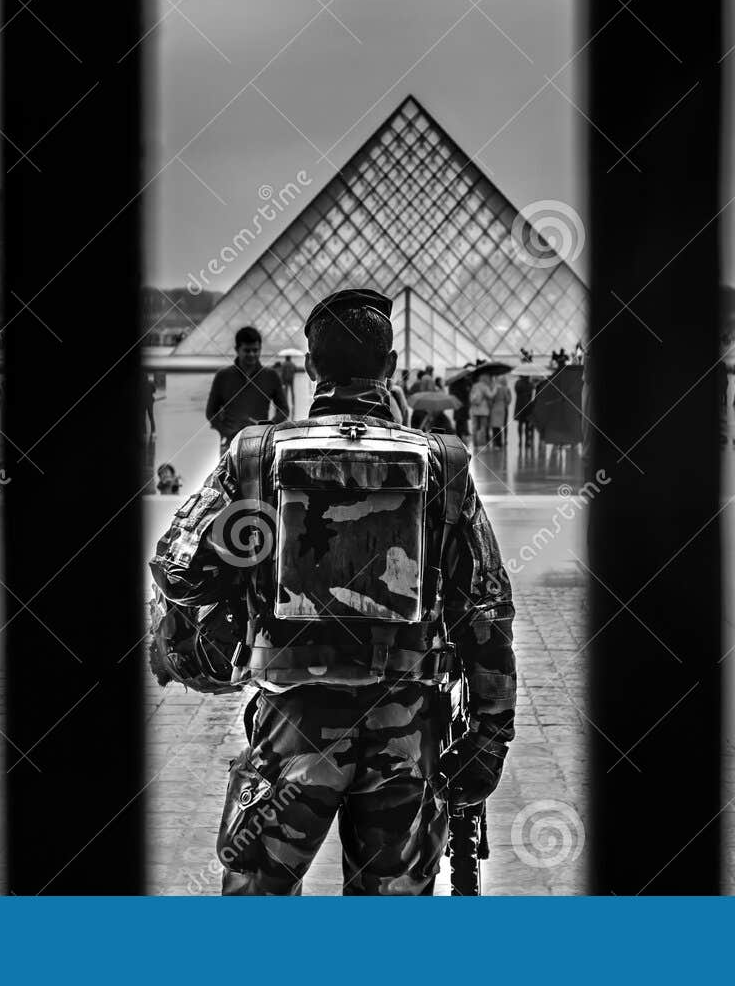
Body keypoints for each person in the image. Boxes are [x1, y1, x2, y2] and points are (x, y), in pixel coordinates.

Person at [151, 287, 515, 895]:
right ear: (391, 366)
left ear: (311, 367)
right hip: (407, 725)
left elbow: (180, 568)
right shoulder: (443, 463)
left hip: (292, 720)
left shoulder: (257, 456)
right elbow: (484, 609)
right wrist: (489, 734)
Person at [205, 326, 289, 460]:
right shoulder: (223, 376)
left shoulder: (271, 376)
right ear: (237, 350)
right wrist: (225, 431)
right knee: (229, 480)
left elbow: (284, 410)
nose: (252, 354)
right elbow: (210, 412)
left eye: (255, 350)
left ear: (260, 349)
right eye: (247, 350)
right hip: (230, 445)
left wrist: (267, 427)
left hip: (261, 444)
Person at [487, 373, 511, 449]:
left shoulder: (494, 388)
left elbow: (491, 398)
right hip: (503, 408)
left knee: (495, 426)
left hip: (494, 408)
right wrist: (505, 404)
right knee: (502, 425)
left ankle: (497, 443)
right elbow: (508, 399)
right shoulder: (506, 389)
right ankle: (502, 441)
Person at [513, 374, 535, 452]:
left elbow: (516, 391)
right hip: (528, 406)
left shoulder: (518, 383)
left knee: (520, 423)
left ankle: (520, 441)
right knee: (527, 424)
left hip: (519, 405)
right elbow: (532, 395)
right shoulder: (530, 384)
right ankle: (526, 441)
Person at [468, 374, 490, 446]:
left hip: (475, 410)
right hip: (483, 410)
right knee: (483, 427)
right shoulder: (485, 386)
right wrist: (495, 387)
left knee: (475, 427)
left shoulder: (474, 386)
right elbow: (490, 396)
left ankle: (475, 443)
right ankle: (482, 443)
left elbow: (471, 397)